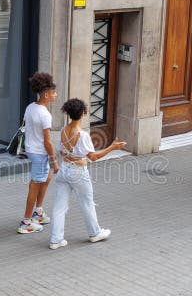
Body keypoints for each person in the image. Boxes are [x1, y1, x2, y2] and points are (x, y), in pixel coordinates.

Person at [49, 98, 126, 250]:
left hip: (64, 169)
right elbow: (93, 157)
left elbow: (60, 150)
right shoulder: (82, 135)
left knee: (59, 206)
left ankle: (56, 240)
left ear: (69, 113)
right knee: (87, 202)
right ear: (83, 114)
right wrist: (113, 147)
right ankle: (94, 233)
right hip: (78, 172)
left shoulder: (64, 130)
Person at [18, 72, 59, 234]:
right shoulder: (45, 115)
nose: (56, 95)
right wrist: (54, 161)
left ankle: (38, 211)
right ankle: (26, 222)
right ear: (47, 95)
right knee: (34, 185)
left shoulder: (30, 107)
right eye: (54, 93)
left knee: (46, 177)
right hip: (40, 153)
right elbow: (47, 142)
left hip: (30, 149)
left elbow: (24, 125)